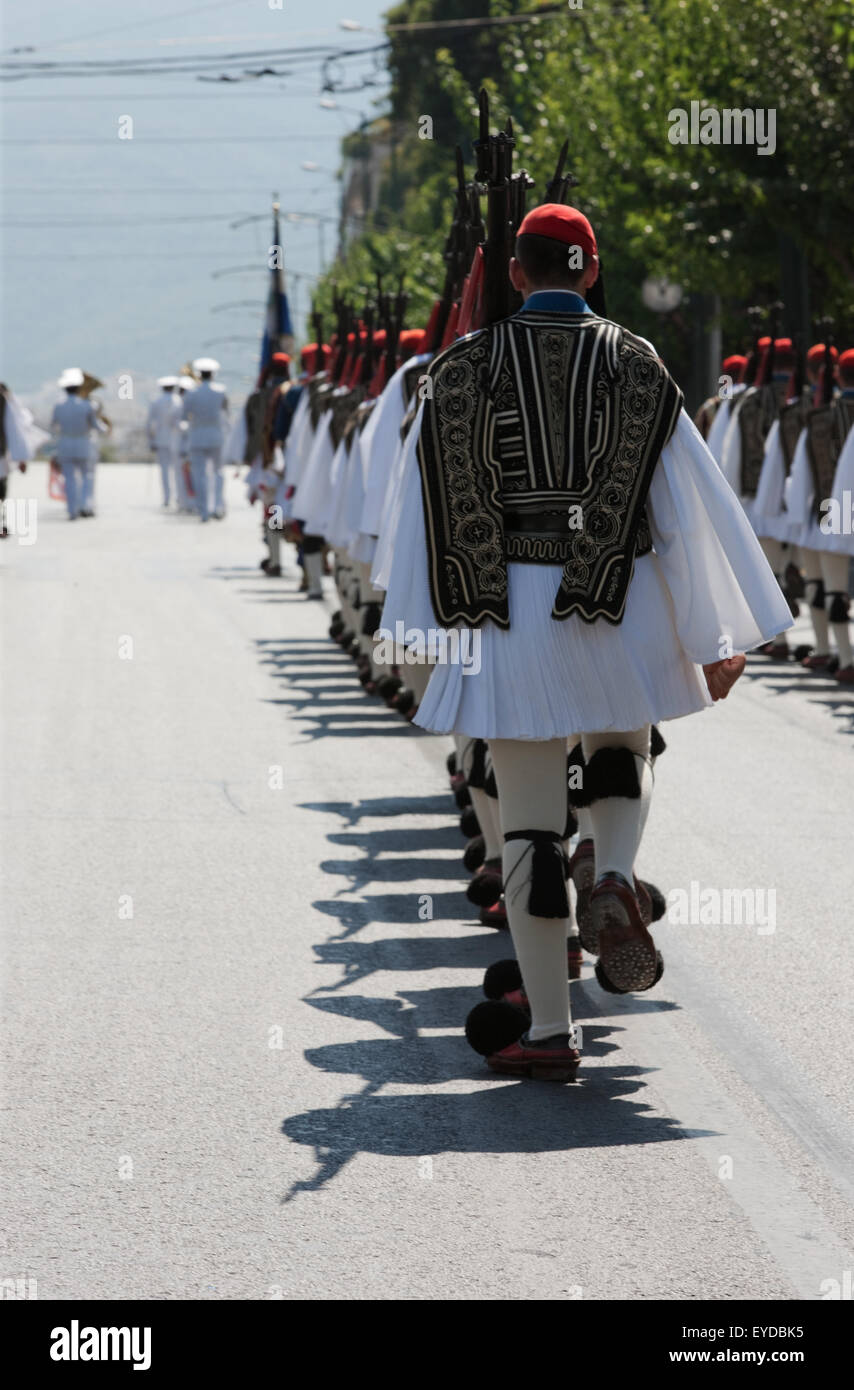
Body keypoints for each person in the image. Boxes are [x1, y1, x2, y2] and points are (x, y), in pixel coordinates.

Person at [381, 203, 792, 1081]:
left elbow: (423, 521)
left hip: (512, 609)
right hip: (622, 594)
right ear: (592, 272)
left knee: (528, 824)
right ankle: (616, 870)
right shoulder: (639, 367)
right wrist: (717, 630)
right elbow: (685, 511)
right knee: (624, 739)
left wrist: (421, 642)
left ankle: (554, 1033)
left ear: (518, 276)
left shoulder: (457, 373)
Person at [50, 369, 109, 520]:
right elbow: (97, 426)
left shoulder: (59, 406)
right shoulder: (88, 405)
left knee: (69, 477)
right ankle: (86, 506)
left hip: (65, 444)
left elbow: (53, 426)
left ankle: (72, 510)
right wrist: (106, 428)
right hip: (84, 443)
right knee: (87, 476)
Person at [183, 357, 228, 522]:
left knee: (200, 474)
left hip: (197, 436)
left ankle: (203, 510)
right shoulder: (221, 391)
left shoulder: (192, 393)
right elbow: (225, 413)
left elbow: (184, 416)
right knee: (218, 472)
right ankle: (218, 506)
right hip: (216, 435)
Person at [147, 376, 183, 508]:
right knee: (177, 470)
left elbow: (150, 423)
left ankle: (167, 498)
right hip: (176, 439)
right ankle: (180, 496)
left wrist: (151, 441)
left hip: (161, 439)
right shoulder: (179, 401)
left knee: (164, 471)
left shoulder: (156, 401)